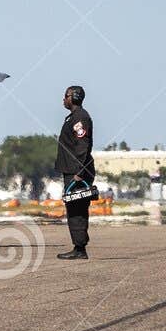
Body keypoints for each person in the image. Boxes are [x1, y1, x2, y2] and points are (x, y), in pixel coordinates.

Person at [57, 83, 95, 260]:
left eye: (66, 96)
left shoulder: (80, 118)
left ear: (73, 98)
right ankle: (78, 246)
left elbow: (82, 146)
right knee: (73, 209)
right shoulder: (73, 117)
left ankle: (80, 249)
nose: (63, 99)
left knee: (77, 210)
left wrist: (80, 172)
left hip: (77, 172)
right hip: (72, 170)